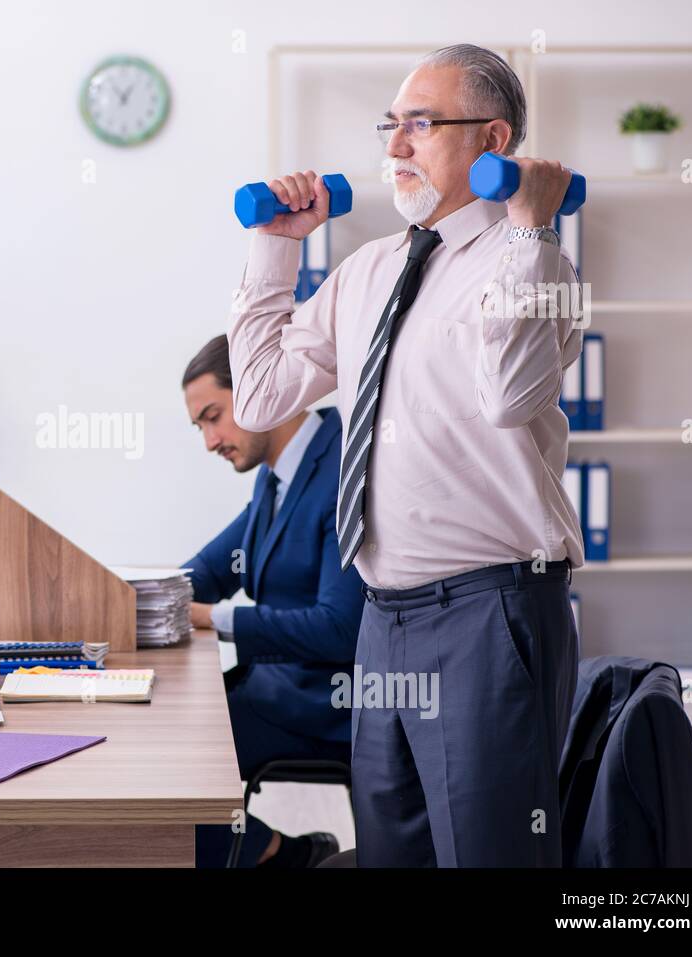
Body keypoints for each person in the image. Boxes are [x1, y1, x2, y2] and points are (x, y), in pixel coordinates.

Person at [227, 44, 585, 867]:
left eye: (419, 126)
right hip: (382, 616)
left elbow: (508, 394)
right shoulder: (369, 270)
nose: (394, 148)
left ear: (494, 142)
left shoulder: (537, 265)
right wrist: (277, 248)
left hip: (489, 612)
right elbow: (260, 399)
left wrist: (531, 226)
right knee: (393, 851)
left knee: (488, 852)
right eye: (391, 126)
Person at [181, 334, 364, 867]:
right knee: (161, 746)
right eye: (200, 426)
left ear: (259, 390)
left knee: (173, 762)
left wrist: (214, 617)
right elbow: (210, 570)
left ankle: (273, 856)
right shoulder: (276, 475)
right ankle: (279, 853)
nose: (211, 441)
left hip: (323, 704)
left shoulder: (338, 467)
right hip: (277, 690)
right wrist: (129, 597)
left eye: (213, 417)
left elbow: (340, 627)